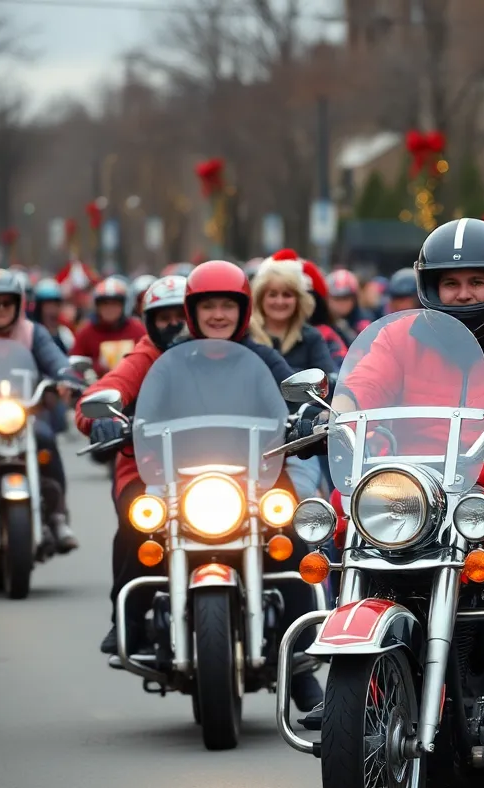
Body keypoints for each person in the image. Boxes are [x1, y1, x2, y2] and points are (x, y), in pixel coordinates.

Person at [298, 218, 484, 756]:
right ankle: (349, 680)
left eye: (475, 282)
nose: (463, 293)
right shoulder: (398, 335)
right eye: (450, 283)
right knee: (341, 526)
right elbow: (360, 383)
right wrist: (332, 415)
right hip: (414, 490)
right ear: (428, 287)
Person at [77, 263, 325, 711]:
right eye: (207, 305)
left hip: (251, 476)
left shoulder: (261, 356)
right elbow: (117, 388)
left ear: (242, 310)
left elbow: (293, 389)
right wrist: (99, 418)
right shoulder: (170, 360)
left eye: (226, 305)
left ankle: (301, 660)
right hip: (179, 478)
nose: (217, 315)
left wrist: (311, 416)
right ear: (192, 311)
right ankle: (128, 618)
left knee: (290, 528)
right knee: (138, 520)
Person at [0, 270, 80, 552]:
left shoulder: (33, 333)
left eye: (7, 303)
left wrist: (66, 377)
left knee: (46, 438)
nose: (1, 310)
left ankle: (58, 516)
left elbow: (56, 360)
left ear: (19, 304)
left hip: (26, 414)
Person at [250, 255, 337, 500]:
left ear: (299, 300)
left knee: (303, 498)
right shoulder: (244, 337)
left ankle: (317, 539)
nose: (279, 301)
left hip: (297, 442)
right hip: (246, 439)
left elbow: (326, 383)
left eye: (287, 294)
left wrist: (321, 411)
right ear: (259, 298)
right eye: (272, 294)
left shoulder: (311, 338)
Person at [70, 276, 146, 377]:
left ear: (123, 306)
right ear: (97, 307)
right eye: (105, 304)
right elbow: (75, 364)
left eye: (114, 304)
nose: (110, 309)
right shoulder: (86, 332)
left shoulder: (137, 329)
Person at [326, 269, 366, 334]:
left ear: (354, 299)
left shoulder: (363, 322)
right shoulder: (320, 323)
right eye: (337, 298)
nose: (341, 303)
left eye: (346, 298)